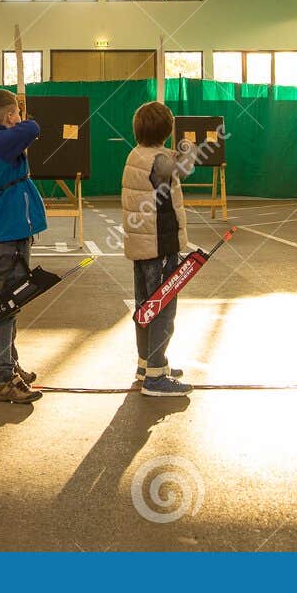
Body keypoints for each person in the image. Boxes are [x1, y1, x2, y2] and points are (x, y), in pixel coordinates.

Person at [0, 88, 47, 404]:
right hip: (5, 233)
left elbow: (26, 131)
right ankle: (3, 379)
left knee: (13, 303)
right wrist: (21, 118)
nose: (19, 119)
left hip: (11, 230)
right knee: (6, 306)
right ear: (7, 117)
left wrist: (17, 114)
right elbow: (33, 128)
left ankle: (10, 365)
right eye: (14, 114)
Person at [121, 100, 193, 397]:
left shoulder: (136, 155)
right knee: (162, 309)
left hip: (141, 247)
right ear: (166, 131)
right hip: (160, 246)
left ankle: (146, 366)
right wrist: (187, 147)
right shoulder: (160, 160)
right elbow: (185, 168)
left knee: (145, 307)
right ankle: (156, 376)